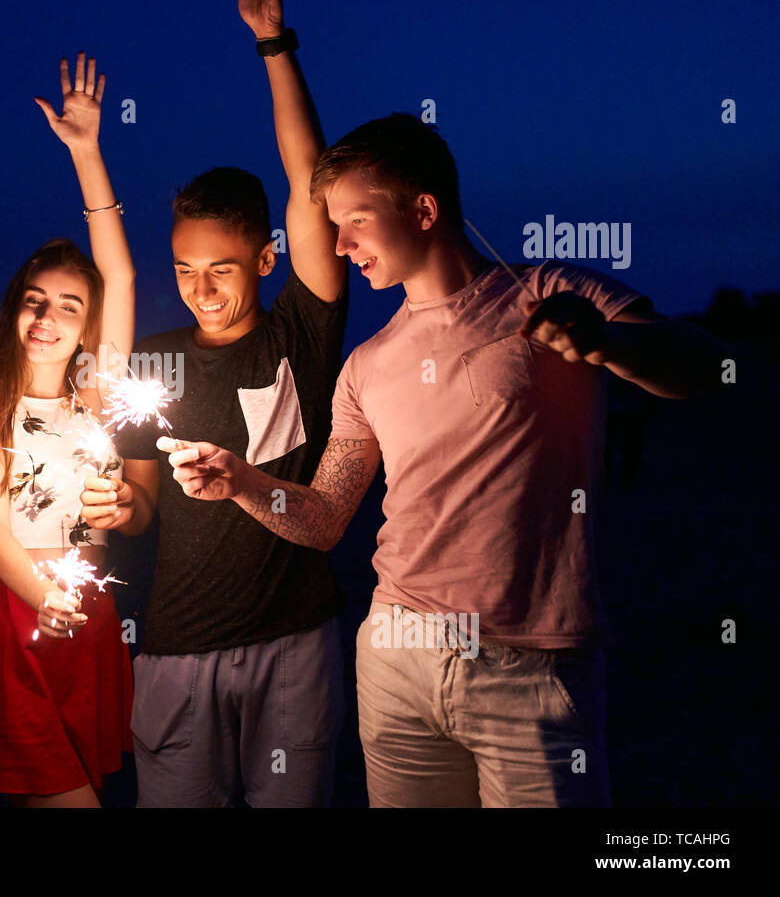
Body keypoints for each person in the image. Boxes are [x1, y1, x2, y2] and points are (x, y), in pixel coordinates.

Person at [160, 110, 730, 807]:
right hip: (395, 662)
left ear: (424, 209)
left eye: (356, 222)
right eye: (332, 225)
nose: (338, 245)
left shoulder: (551, 293)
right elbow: (327, 517)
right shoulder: (364, 367)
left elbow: (702, 364)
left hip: (532, 668)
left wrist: (607, 343)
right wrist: (243, 483)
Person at [96, 0, 350, 806]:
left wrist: (274, 42)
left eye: (224, 269)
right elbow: (138, 506)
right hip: (175, 645)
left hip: (296, 640)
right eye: (183, 270)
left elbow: (310, 183)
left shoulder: (300, 334)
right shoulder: (154, 360)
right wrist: (114, 504)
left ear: (268, 258)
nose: (201, 290)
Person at [0, 52, 138, 807]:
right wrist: (43, 598)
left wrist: (88, 154)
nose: (48, 316)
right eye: (34, 299)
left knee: (73, 786)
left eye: (67, 304)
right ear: (13, 310)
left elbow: (118, 276)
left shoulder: (98, 396)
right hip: (9, 612)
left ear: (87, 327)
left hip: (87, 614)